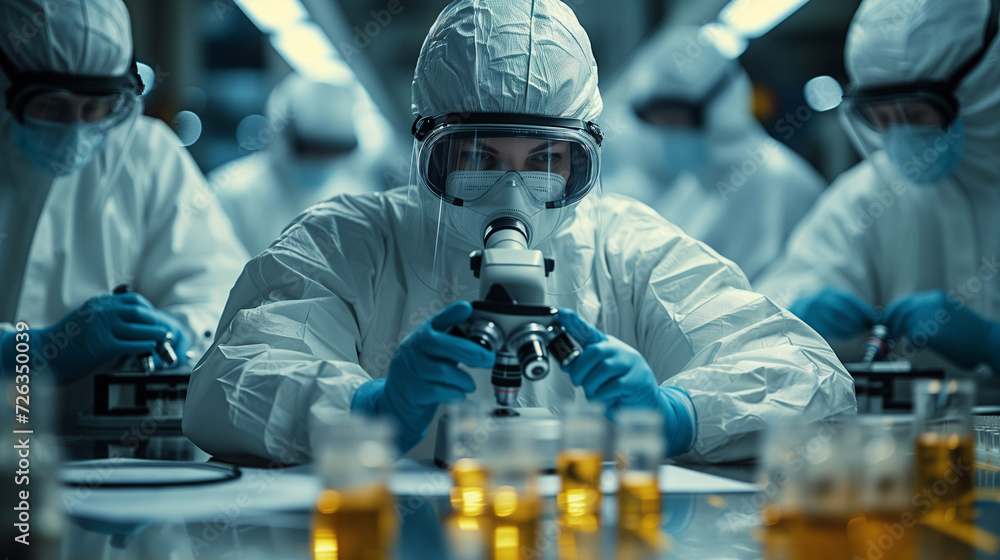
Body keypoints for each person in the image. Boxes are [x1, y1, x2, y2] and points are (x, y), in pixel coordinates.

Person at [184, 0, 855, 465]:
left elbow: (810, 379)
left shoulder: (628, 250)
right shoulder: (349, 244)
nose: (512, 193)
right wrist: (366, 411)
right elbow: (225, 385)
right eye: (477, 158)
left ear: (581, 161)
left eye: (545, 161)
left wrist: (679, 413)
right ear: (427, 154)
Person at [756, 0, 1000, 390]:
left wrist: (993, 342)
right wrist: (794, 313)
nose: (899, 139)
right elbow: (761, 317)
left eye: (918, 115)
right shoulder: (869, 195)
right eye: (881, 118)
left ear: (981, 89)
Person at [0, 0, 248, 384]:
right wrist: (17, 352)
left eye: (96, 108)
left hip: (97, 438)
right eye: (50, 107)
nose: (76, 132)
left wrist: (179, 328)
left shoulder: (147, 154)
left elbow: (217, 287)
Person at [602, 27, 825, 282]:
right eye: (655, 122)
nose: (664, 134)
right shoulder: (693, 183)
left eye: (674, 119)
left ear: (719, 107)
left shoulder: (779, 181)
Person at [210, 75, 383, 256]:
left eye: (333, 152)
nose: (322, 163)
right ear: (284, 138)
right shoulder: (232, 192)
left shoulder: (355, 198)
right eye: (314, 151)